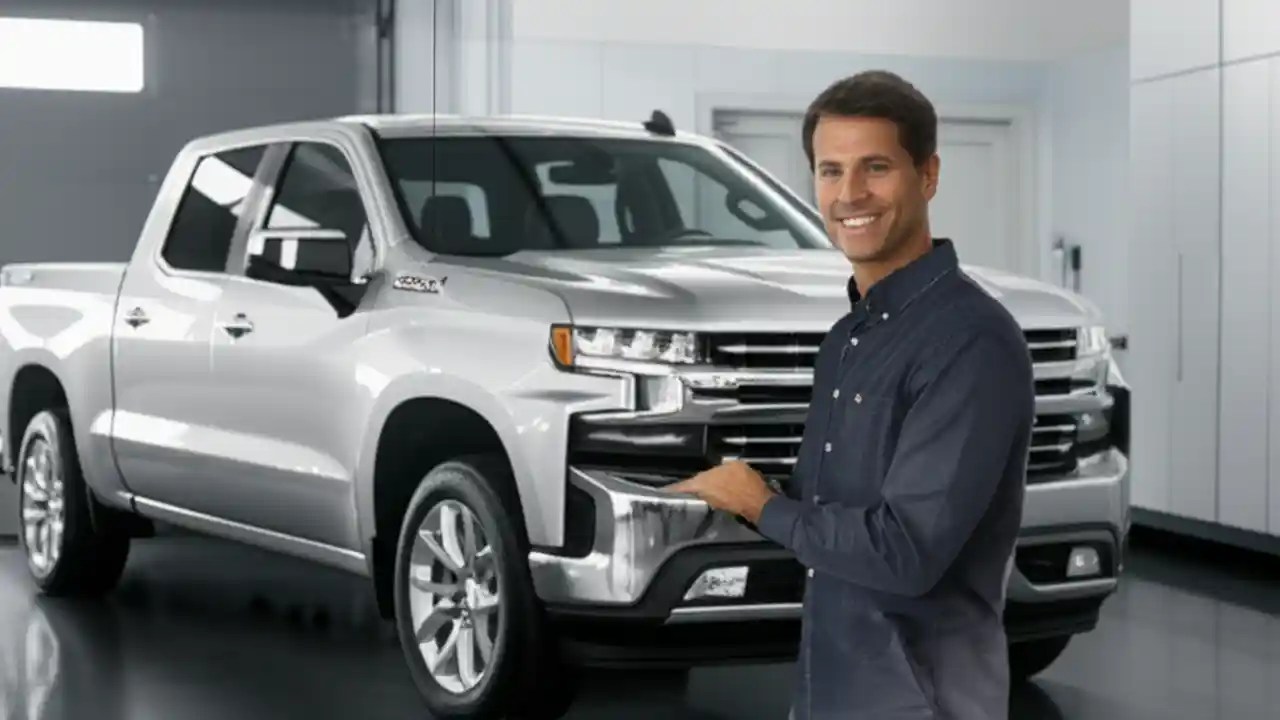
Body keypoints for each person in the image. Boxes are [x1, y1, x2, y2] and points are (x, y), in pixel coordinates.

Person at [665, 70, 1036, 719]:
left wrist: (760, 505)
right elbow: (835, 507)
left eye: (875, 167)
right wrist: (722, 493)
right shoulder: (849, 338)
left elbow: (906, 553)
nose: (850, 194)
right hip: (829, 693)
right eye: (830, 171)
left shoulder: (970, 342)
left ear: (929, 175)